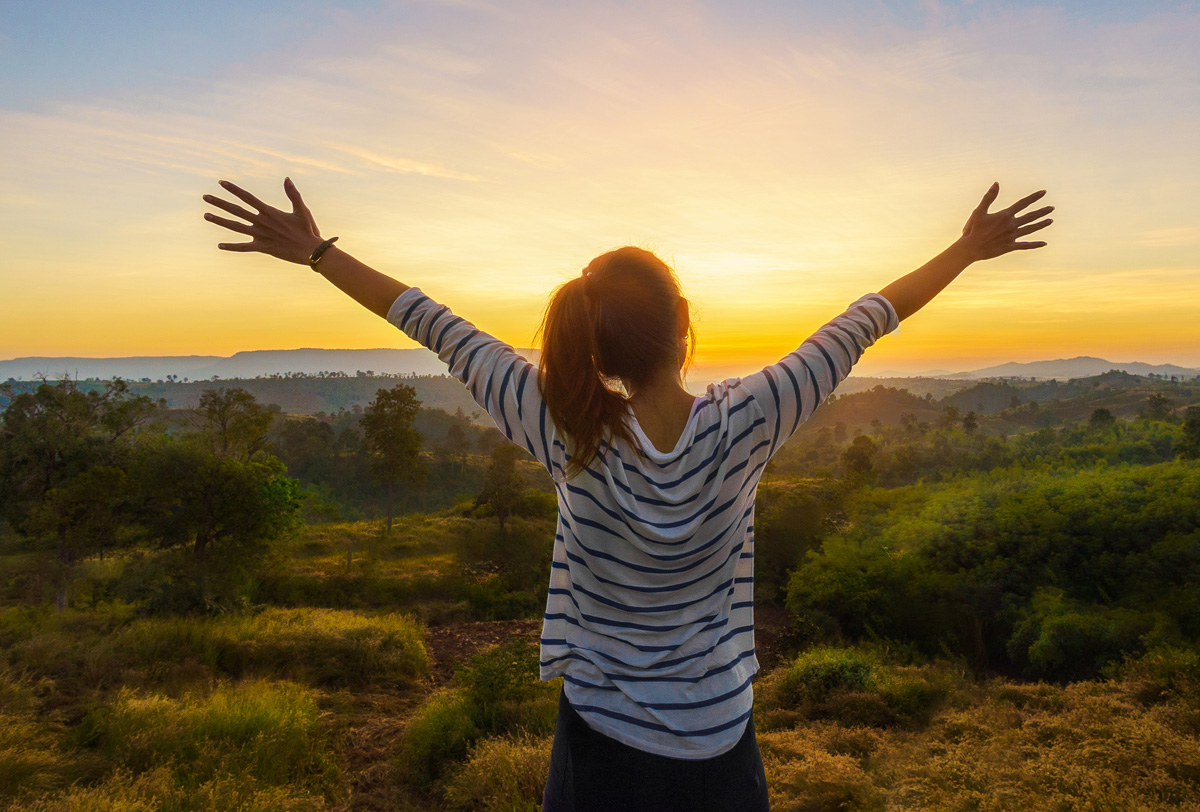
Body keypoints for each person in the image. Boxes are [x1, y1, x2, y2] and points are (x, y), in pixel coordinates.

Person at [203, 178, 1053, 811]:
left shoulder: (563, 423)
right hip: (721, 748)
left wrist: (317, 253)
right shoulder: (752, 418)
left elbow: (430, 321)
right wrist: (967, 249)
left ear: (592, 344)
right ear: (683, 320)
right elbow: (869, 317)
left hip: (600, 747)